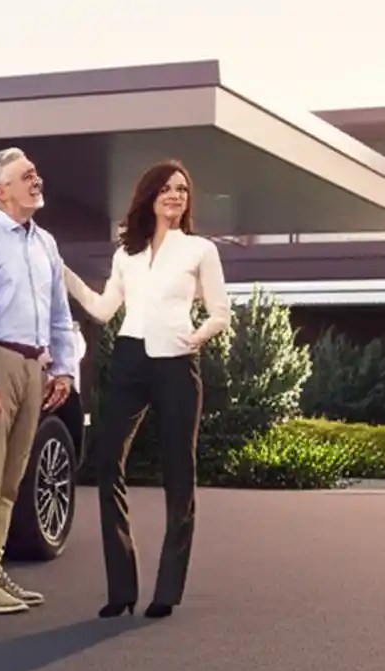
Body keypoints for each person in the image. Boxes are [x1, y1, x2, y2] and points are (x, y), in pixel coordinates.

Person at [61, 159, 229, 620]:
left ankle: (167, 591)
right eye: (166, 189)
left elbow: (220, 312)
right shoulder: (126, 254)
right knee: (107, 460)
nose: (175, 195)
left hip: (177, 364)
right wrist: (63, 274)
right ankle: (121, 588)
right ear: (150, 197)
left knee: (179, 472)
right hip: (131, 359)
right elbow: (100, 310)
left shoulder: (199, 250)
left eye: (182, 189)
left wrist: (194, 338)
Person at [0, 147, 78, 614]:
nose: (37, 180)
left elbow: (60, 315)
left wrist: (64, 367)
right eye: (27, 176)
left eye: (37, 173)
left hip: (34, 366)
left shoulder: (45, 243)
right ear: (1, 190)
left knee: (11, 479)